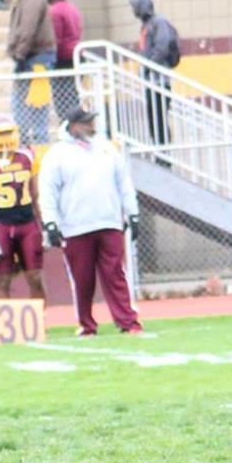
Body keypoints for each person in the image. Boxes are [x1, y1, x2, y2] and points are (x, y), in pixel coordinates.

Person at [40, 107, 142, 335]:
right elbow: (48, 191)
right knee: (82, 279)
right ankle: (87, 324)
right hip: (75, 226)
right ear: (73, 126)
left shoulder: (107, 149)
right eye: (86, 123)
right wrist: (51, 223)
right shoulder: (57, 154)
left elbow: (124, 183)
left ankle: (128, 321)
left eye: (92, 122)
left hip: (109, 221)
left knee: (115, 274)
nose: (91, 127)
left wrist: (132, 213)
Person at [0, 115, 44, 300]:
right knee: (2, 279)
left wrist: (45, 225)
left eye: (8, 133)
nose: (5, 138)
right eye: (1, 133)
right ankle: (3, 325)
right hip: (1, 223)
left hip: (27, 222)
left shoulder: (28, 156)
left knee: (35, 275)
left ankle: (40, 320)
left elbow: (36, 195)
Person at [6, 0, 55, 143]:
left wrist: (20, 54)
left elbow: (28, 28)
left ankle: (38, 141)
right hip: (29, 55)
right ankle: (24, 137)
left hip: (35, 57)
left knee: (37, 101)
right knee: (22, 100)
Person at [127, 0, 179, 150]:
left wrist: (149, 66)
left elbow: (162, 47)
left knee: (159, 118)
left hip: (160, 80)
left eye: (134, 6)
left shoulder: (159, 22)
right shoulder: (145, 26)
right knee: (153, 118)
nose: (133, 10)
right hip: (151, 80)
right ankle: (159, 149)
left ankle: (163, 153)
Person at [47, 0, 81, 119]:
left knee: (61, 94)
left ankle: (65, 121)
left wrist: (52, 59)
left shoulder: (55, 11)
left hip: (63, 57)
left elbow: (57, 38)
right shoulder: (72, 8)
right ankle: (76, 120)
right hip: (76, 54)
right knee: (73, 93)